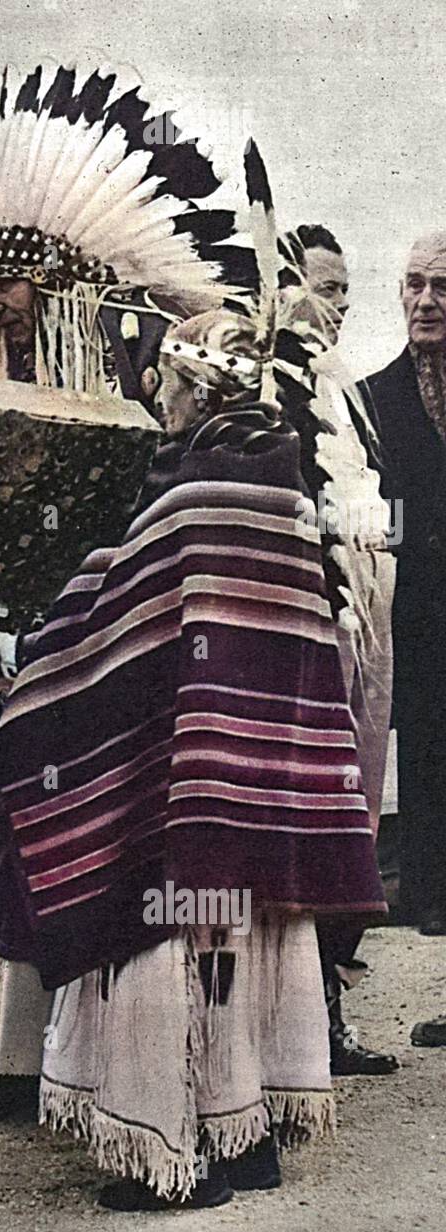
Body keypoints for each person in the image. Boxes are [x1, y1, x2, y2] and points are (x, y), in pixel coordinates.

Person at [0, 310, 387, 1208]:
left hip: (184, 788)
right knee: (245, 948)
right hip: (260, 789)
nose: (155, 393)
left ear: (191, 388)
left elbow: (112, 625)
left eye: (165, 381)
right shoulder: (288, 494)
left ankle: (174, 1154)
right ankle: (245, 1137)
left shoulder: (190, 499)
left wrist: (19, 655)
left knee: (169, 951)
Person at [0, 61, 246, 1130]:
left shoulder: (133, 388)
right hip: (22, 636)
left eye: (12, 286)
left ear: (58, 282)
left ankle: (115, 1071)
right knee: (16, 832)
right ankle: (19, 1065)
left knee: (114, 838)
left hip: (119, 636)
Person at [277, 224, 399, 1074]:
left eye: (349, 292)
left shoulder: (345, 390)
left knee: (354, 811)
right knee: (307, 819)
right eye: (327, 289)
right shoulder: (268, 387)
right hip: (305, 626)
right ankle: (298, 1024)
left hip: (368, 618)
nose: (340, 306)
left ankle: (330, 1009)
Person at [361, 233, 446, 940]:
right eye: (415, 284)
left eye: (443, 286)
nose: (427, 300)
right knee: (421, 749)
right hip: (414, 612)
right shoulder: (372, 402)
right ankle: (427, 889)